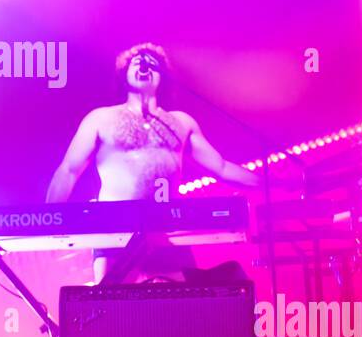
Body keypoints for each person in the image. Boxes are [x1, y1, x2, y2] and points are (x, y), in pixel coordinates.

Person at [46, 43, 259, 284]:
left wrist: (274, 183)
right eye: (136, 62)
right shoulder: (101, 118)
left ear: (162, 77)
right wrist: (49, 218)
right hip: (116, 228)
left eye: (151, 63)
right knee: (114, 307)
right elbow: (68, 170)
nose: (143, 64)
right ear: (124, 76)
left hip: (168, 227)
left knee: (181, 307)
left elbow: (220, 167)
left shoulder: (181, 122)